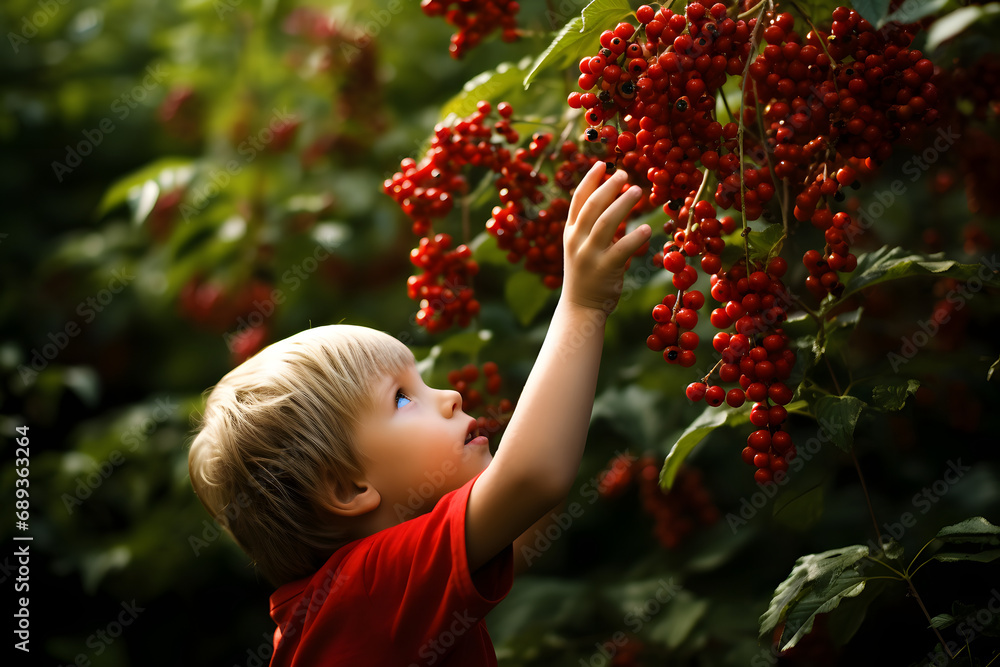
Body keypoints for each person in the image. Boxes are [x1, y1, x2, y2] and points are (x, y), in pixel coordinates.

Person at [187, 161, 651, 666]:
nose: (450, 394)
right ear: (347, 488)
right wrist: (582, 306)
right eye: (404, 398)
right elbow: (532, 479)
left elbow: (521, 524)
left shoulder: (343, 607)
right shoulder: (366, 590)